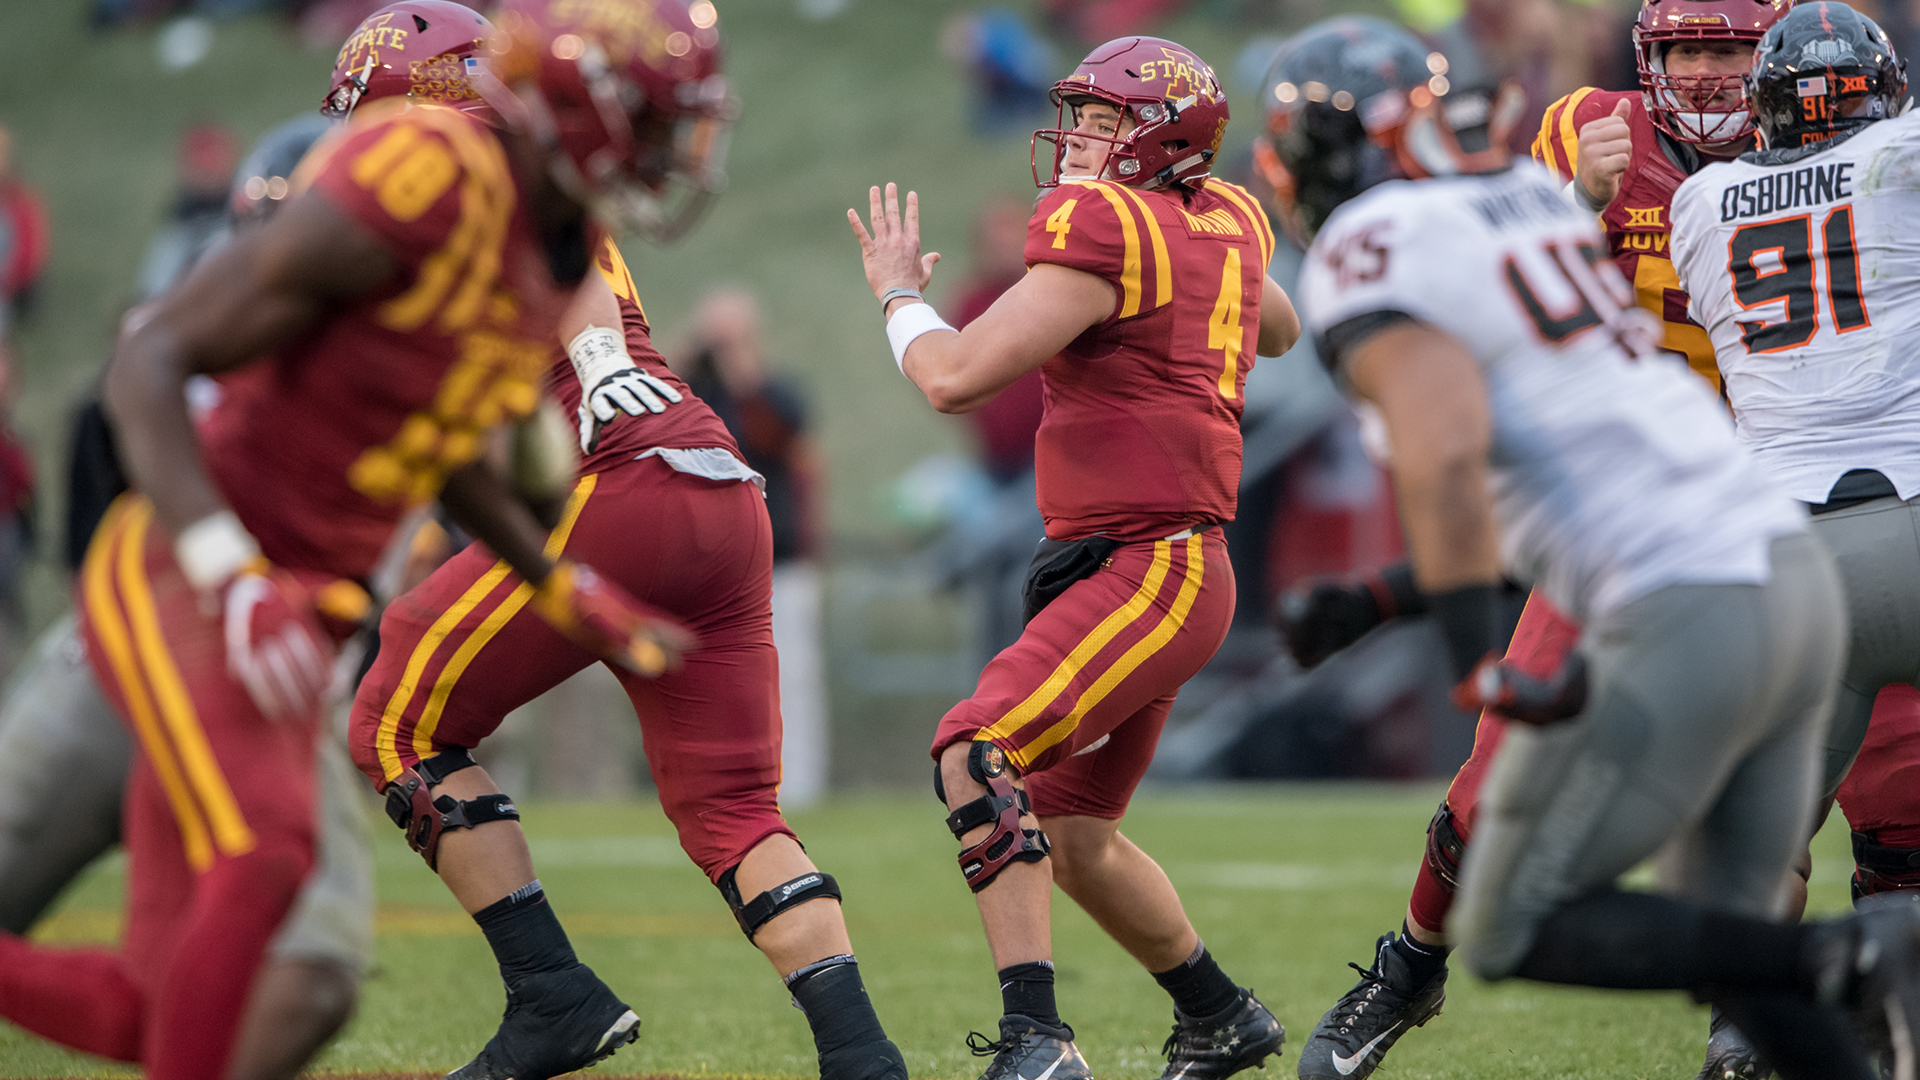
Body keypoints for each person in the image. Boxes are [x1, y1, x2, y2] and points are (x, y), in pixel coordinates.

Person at [0, 0, 699, 1075]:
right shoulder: (425, 176)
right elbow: (147, 357)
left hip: (304, 611)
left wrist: (559, 584)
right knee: (270, 855)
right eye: (653, 122)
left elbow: (446, 438)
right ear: (579, 109)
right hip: (202, 576)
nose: (673, 152)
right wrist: (229, 574)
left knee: (173, 1007)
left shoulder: (555, 255)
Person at [1272, 2, 1920, 1076]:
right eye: (1686, 52)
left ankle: (1803, 993)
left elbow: (1449, 446)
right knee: (1499, 797)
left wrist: (1433, 616)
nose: (1708, 76)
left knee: (1865, 809)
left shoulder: (1725, 196)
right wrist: (1576, 198)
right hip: (1698, 521)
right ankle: (1409, 969)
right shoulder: (1580, 149)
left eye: (1728, 53)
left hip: (1720, 535)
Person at [344, 4, 909, 1080]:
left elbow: (566, 271)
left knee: (391, 722)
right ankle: (863, 1058)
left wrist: (595, 362)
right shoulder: (533, 164)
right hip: (714, 477)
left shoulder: (474, 173)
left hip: (615, 481)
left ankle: (550, 996)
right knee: (737, 812)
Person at [849, 35, 1299, 1080]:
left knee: (974, 752)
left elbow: (954, 378)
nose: (1078, 143)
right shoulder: (1227, 215)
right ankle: (1219, 1015)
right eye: (1082, 118)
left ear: (1160, 137)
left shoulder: (1109, 226)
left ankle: (1036, 1040)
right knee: (1075, 832)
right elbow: (1275, 327)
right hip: (1169, 566)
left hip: (1149, 564)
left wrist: (895, 294)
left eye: (1103, 122)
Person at [1670, 0, 1920, 911]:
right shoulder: (1901, 155)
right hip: (1913, 510)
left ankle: (1747, 1030)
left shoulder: (1699, 202)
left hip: (1785, 551)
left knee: (1758, 837)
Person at [676, 287, 830, 805]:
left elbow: (789, 446)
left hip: (777, 559)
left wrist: (741, 367)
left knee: (793, 678)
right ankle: (727, 784)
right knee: (719, 682)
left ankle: (804, 784)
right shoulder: (693, 394)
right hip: (714, 565)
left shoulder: (774, 394)